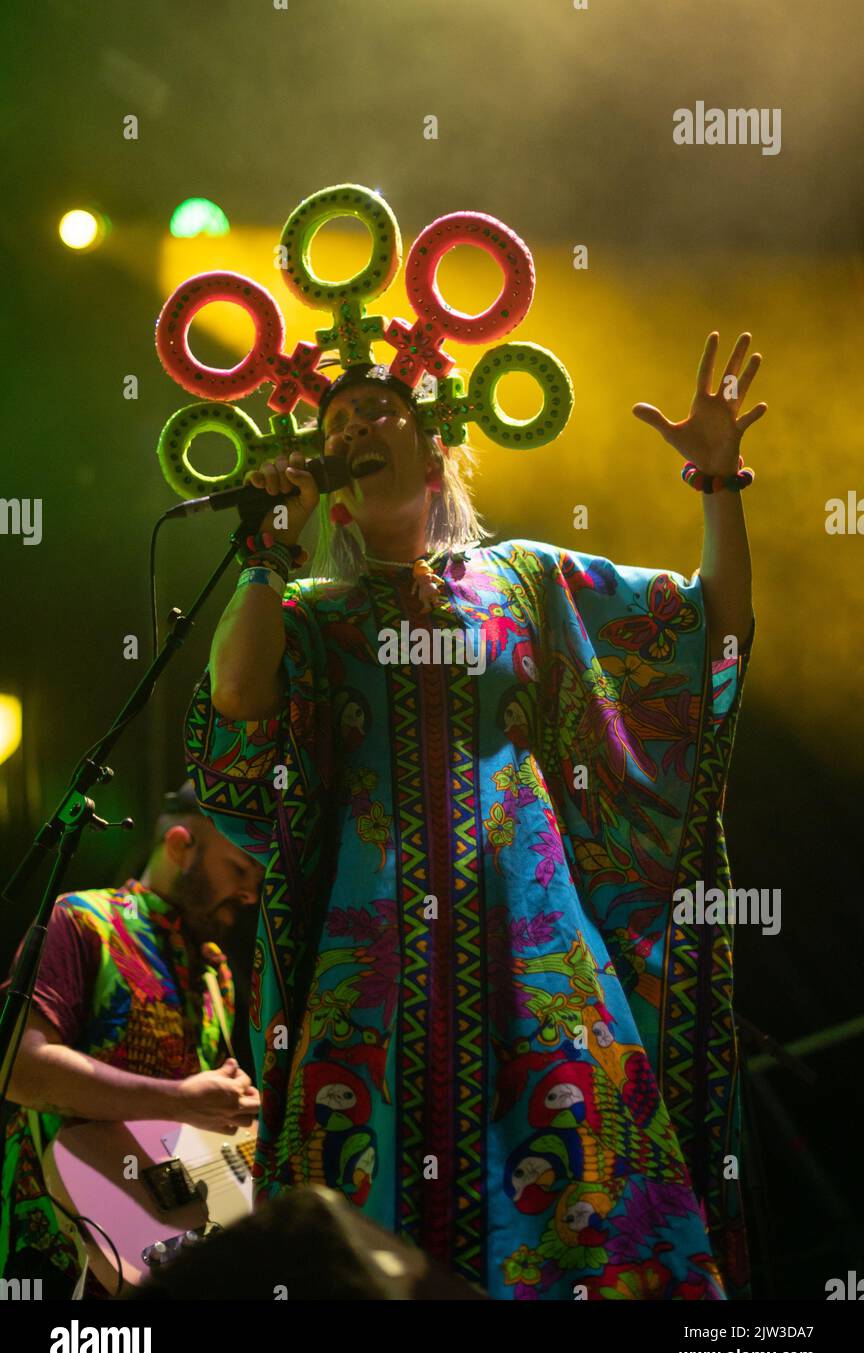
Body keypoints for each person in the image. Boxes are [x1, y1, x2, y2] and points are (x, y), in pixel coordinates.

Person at [184, 330, 764, 1301]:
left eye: (378, 411)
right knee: (358, 1244)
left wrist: (719, 485)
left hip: (535, 954)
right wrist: (266, 550)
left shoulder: (526, 585)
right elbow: (237, 693)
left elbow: (716, 631)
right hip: (370, 973)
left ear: (439, 443)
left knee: (589, 1199)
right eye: (334, 420)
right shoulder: (315, 614)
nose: (355, 425)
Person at [0, 781, 262, 1297]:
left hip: (149, 1259)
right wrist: (183, 1100)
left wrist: (231, 1107)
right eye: (238, 869)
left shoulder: (216, 973)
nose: (250, 893)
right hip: (52, 1252)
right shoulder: (81, 919)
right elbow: (17, 1069)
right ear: (180, 846)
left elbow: (187, 1134)